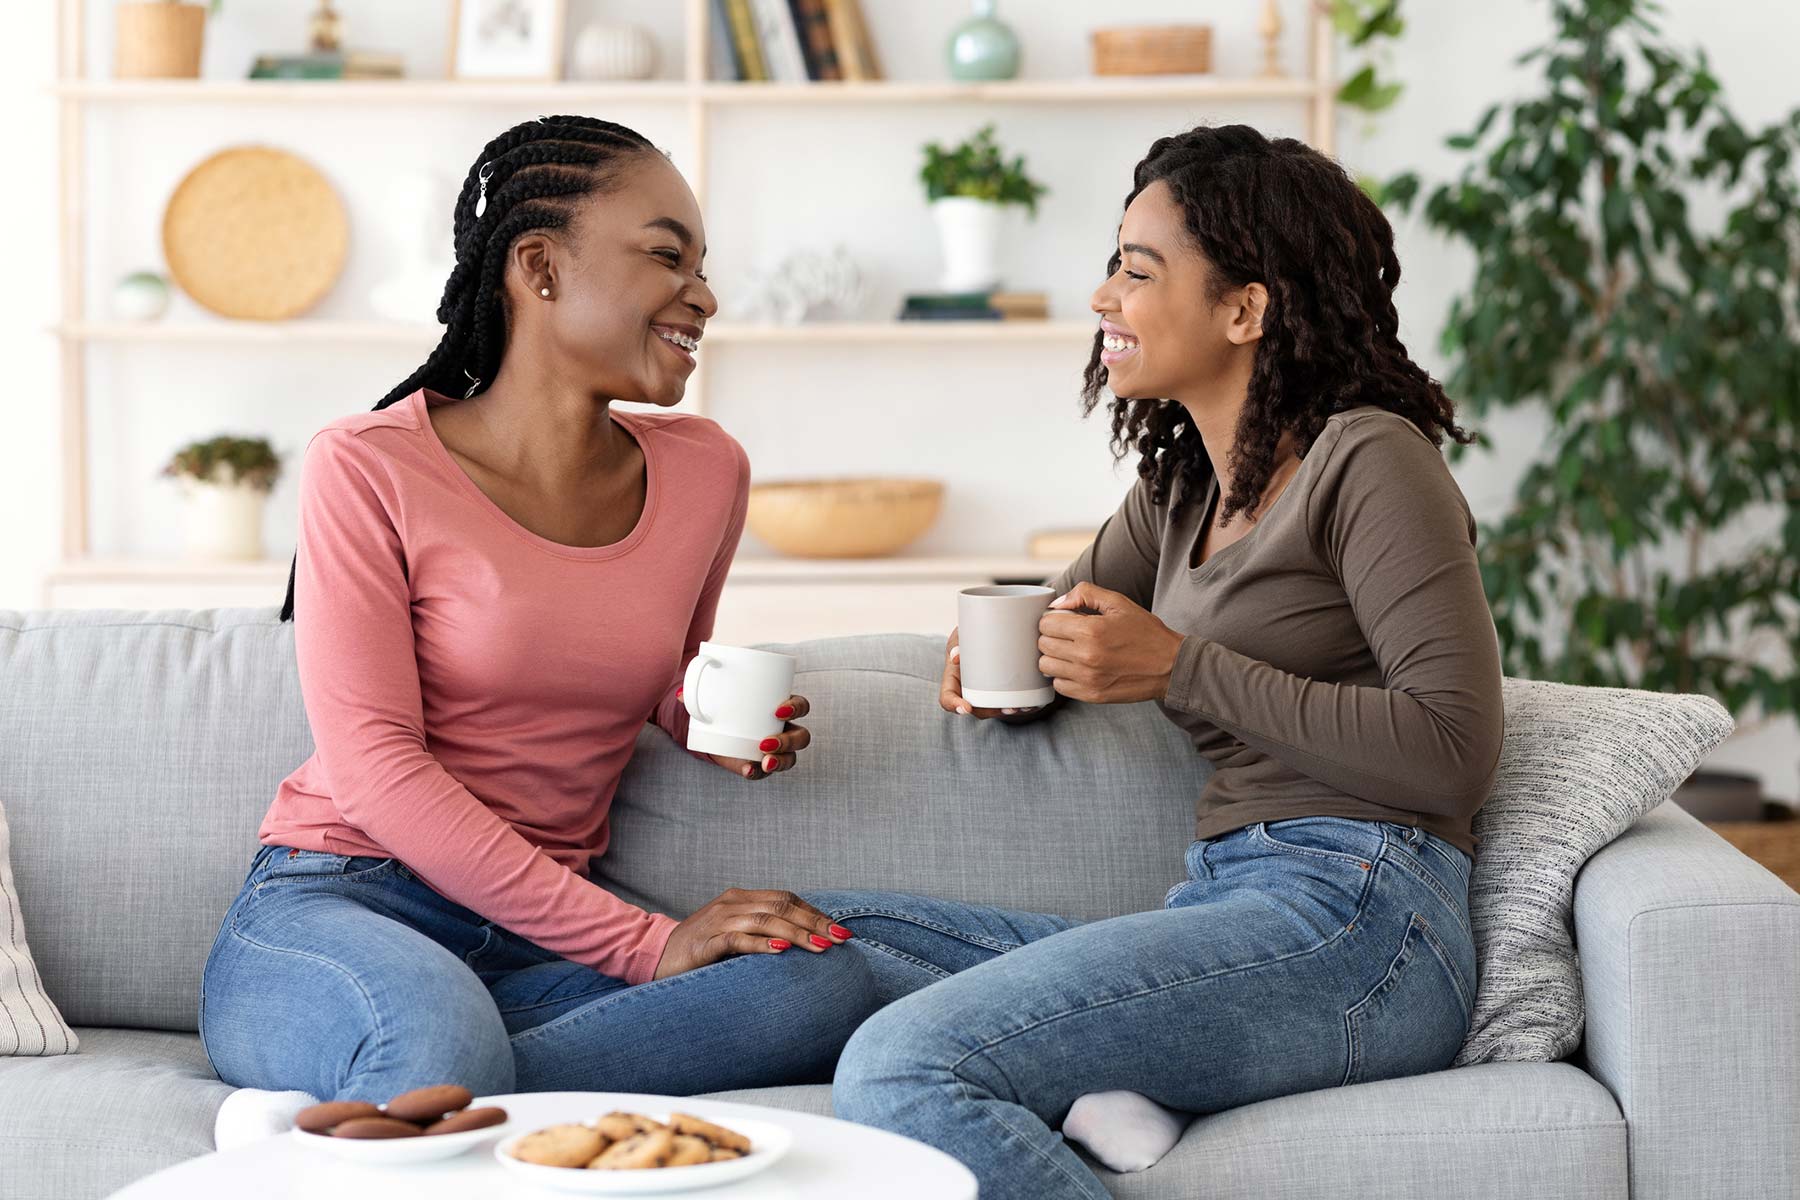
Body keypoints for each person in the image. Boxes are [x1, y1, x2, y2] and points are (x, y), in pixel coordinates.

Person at [820, 124, 1506, 1200]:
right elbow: (1054, 622)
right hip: (1227, 900)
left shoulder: (1372, 460)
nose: (1103, 297)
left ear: (1246, 309)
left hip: (1368, 920)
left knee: (903, 1065)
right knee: (813, 937)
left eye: (1138, 272)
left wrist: (1181, 668)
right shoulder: (1180, 493)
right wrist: (998, 666)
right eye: (1114, 265)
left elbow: (1455, 749)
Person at [199, 117, 871, 1139]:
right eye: (667, 257)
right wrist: (645, 946)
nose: (703, 294)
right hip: (345, 904)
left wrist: (718, 724)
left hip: (533, 947)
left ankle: (385, 1102)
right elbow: (375, 767)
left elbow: (665, 675)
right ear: (540, 267)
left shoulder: (705, 470)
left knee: (816, 985)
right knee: (439, 1033)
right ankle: (419, 1071)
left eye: (702, 267)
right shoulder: (368, 465)